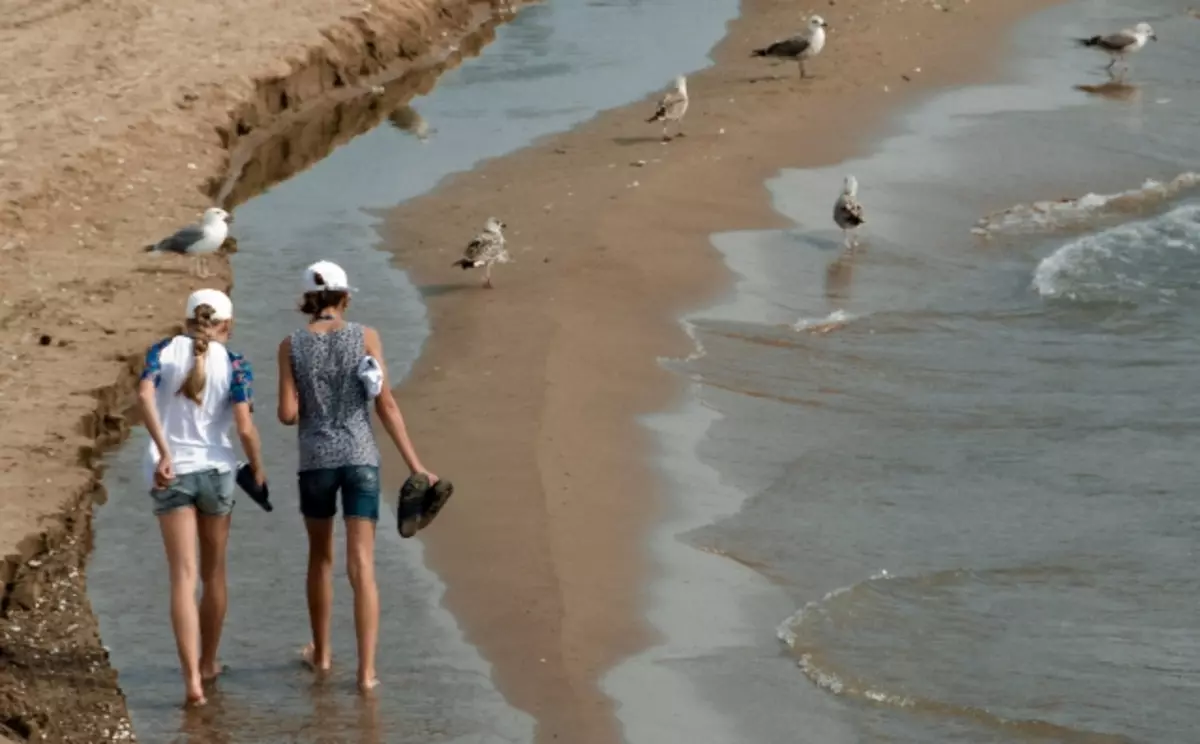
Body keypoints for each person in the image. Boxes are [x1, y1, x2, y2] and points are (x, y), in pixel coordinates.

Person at [277, 260, 437, 692]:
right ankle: (367, 675)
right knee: (362, 564)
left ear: (308, 301)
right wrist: (416, 465)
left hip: (316, 462)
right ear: (345, 297)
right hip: (360, 458)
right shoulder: (367, 337)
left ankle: (323, 655)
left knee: (320, 559)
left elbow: (288, 414)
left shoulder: (290, 344)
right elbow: (384, 404)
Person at [136, 288, 266, 707]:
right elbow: (244, 427)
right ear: (226, 324)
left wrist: (165, 450)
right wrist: (258, 467)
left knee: (182, 577)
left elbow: (142, 395)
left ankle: (191, 680)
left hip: (170, 472)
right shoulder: (235, 363)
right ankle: (209, 663)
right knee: (215, 575)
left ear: (188, 317)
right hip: (217, 470)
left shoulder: (161, 351)